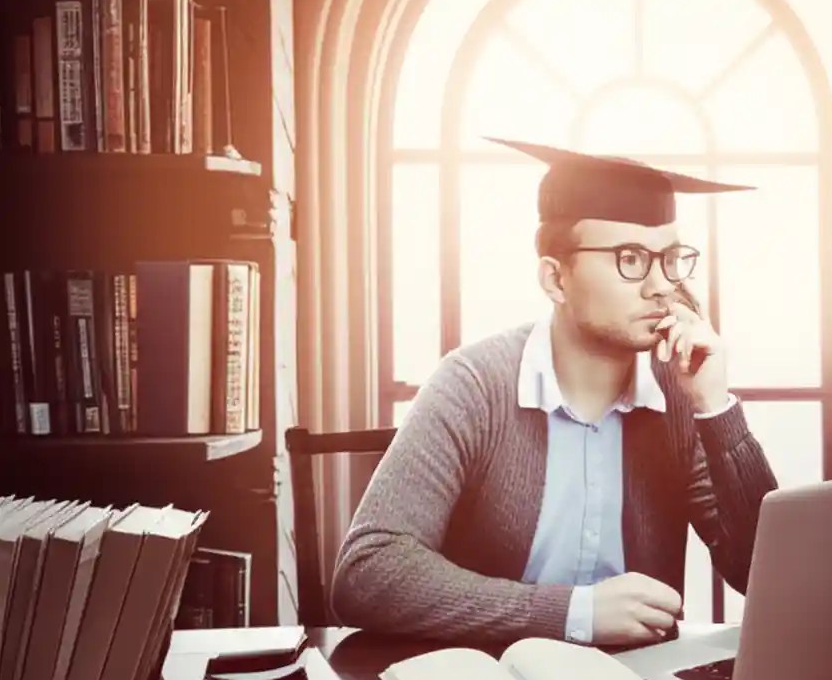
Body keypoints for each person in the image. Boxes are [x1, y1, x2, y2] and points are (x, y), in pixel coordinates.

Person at [330, 137, 779, 647]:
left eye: (670, 259)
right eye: (630, 258)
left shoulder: (676, 393)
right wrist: (573, 612)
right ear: (555, 279)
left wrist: (715, 410)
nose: (661, 286)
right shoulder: (474, 384)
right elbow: (367, 573)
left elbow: (767, 576)